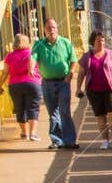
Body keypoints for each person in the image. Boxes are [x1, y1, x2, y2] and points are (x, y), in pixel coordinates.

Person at [31, 18, 78, 149]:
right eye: (48, 28)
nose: (51, 30)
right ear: (44, 30)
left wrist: (70, 74)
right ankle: (57, 141)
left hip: (63, 82)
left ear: (57, 29)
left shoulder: (65, 43)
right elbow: (33, 57)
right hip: (47, 83)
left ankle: (69, 141)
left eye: (53, 27)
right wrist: (30, 68)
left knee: (64, 111)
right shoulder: (39, 44)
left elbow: (73, 60)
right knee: (52, 114)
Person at [81, 31, 112, 149]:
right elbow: (81, 73)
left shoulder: (111, 54)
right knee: (100, 117)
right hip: (93, 91)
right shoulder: (87, 56)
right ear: (93, 42)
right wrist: (78, 89)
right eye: (98, 40)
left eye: (102, 39)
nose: (101, 41)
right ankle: (105, 140)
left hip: (109, 90)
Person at [2, 33, 42, 142]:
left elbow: (5, 72)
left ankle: (24, 133)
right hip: (32, 83)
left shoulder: (9, 56)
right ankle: (33, 133)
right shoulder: (32, 53)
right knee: (33, 108)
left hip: (15, 85)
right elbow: (40, 67)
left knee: (20, 109)